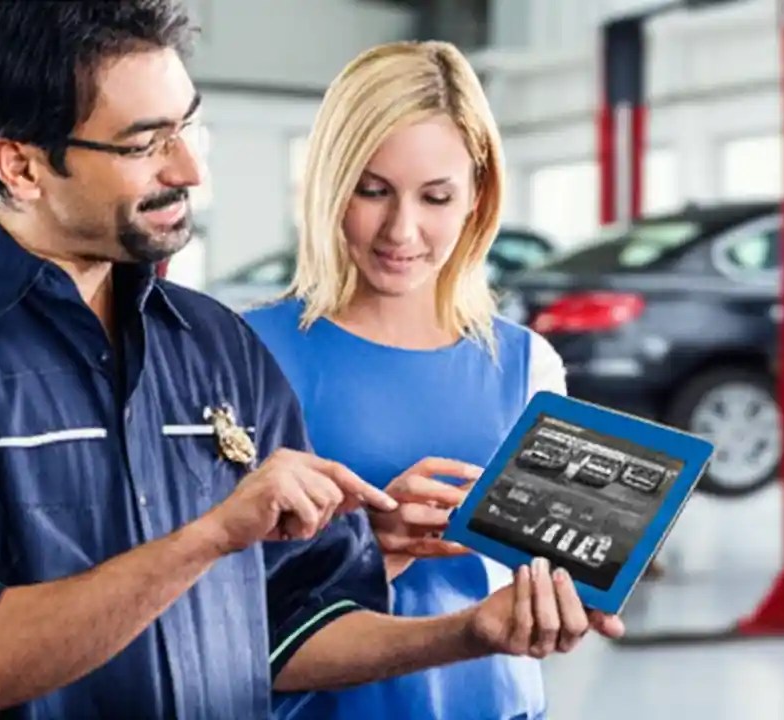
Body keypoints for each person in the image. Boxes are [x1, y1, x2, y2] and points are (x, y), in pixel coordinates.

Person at [0, 3, 622, 719]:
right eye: (145, 143)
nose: (190, 170)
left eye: (188, 128)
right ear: (20, 164)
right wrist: (211, 538)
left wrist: (472, 632)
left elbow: (299, 617)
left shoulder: (211, 345)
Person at [243, 41, 580, 720]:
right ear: (330, 185)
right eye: (372, 191)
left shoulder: (525, 368)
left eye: (435, 197)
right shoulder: (246, 354)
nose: (403, 229)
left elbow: (554, 576)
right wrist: (368, 548)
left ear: (477, 196)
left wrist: (572, 596)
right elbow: (207, 607)